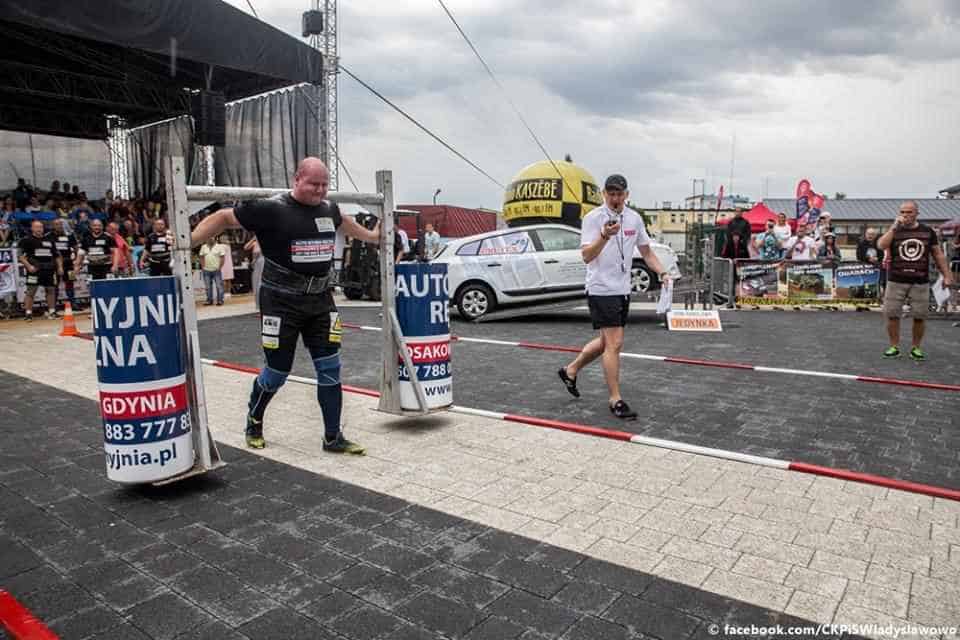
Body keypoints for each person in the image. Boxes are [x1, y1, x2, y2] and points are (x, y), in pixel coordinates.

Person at [189, 157, 380, 452]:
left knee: (330, 367)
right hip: (280, 303)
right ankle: (254, 420)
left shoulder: (329, 208)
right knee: (277, 372)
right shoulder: (272, 208)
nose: (320, 190)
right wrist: (187, 240)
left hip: (320, 301)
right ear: (297, 179)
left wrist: (372, 237)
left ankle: (332, 437)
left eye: (324, 184)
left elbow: (344, 222)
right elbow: (224, 217)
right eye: (313, 184)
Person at [558, 174, 672, 420]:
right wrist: (604, 236)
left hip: (622, 289)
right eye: (610, 193)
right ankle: (615, 399)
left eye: (619, 193)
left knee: (604, 343)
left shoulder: (634, 218)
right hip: (601, 288)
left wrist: (662, 272)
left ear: (626, 195)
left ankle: (570, 370)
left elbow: (646, 252)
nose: (615, 198)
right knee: (615, 343)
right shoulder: (592, 218)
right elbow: (587, 256)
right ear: (604, 194)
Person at [878, 201, 953, 359]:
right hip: (896, 280)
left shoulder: (927, 231)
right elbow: (881, 245)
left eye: (909, 212)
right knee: (892, 314)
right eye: (902, 212)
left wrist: (947, 275)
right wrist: (893, 227)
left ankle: (916, 348)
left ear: (917, 213)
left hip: (920, 281)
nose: (905, 215)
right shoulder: (894, 230)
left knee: (919, 316)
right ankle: (894, 347)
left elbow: (938, 254)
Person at [18, 220, 61, 321]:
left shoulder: (50, 240)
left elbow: (57, 256)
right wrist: (29, 266)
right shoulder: (26, 240)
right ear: (32, 228)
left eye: (41, 227)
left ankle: (52, 312)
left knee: (51, 290)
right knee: (31, 292)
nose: (39, 229)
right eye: (36, 227)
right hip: (34, 270)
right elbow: (20, 256)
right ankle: (28, 314)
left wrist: (60, 267)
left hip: (49, 270)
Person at [51, 218, 78, 309]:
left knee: (70, 282)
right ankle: (53, 306)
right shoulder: (49, 236)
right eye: (56, 224)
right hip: (54, 264)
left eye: (60, 224)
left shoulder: (70, 235)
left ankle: (73, 303)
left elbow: (76, 248)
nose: (59, 226)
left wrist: (76, 260)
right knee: (55, 284)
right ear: (53, 226)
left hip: (68, 263)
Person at [199, 237, 226, 305]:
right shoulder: (203, 247)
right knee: (208, 287)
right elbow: (201, 257)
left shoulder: (220, 246)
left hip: (216, 270)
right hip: (206, 270)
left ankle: (220, 300)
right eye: (209, 237)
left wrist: (220, 267)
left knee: (219, 286)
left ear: (215, 238)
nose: (210, 238)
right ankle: (209, 301)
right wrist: (203, 266)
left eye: (212, 237)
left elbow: (222, 258)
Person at [244, 236, 263, 311]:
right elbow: (245, 247)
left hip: (262, 263)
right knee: (255, 284)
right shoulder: (255, 243)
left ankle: (261, 306)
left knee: (260, 285)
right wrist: (253, 239)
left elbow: (258, 254)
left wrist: (254, 260)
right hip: (256, 265)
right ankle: (257, 305)